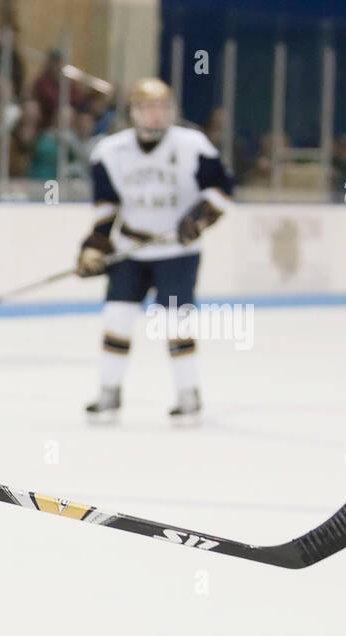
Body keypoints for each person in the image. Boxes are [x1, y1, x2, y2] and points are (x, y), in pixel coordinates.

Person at [78, 78, 234, 422]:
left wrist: (198, 219)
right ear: (134, 112)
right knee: (116, 317)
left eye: (163, 108)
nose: (156, 115)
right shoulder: (110, 151)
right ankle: (109, 392)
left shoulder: (193, 144)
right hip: (130, 249)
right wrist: (94, 247)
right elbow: (107, 206)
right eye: (148, 108)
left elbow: (222, 190)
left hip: (177, 253)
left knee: (176, 321)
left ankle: (188, 394)